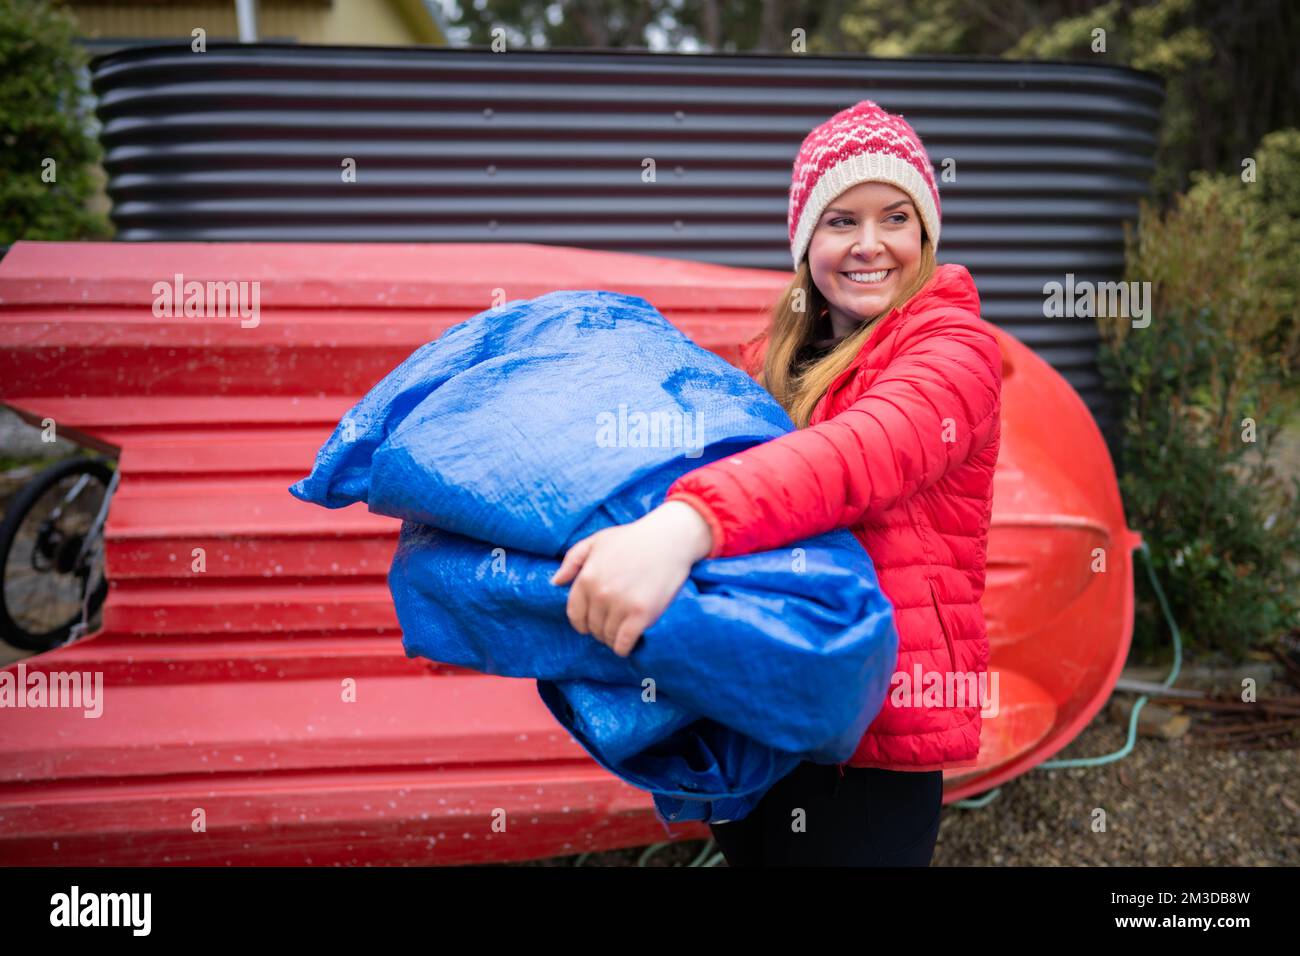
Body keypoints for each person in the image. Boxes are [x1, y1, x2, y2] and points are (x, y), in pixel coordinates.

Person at [550, 100, 1003, 866]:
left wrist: (684, 525)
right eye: (840, 221)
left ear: (925, 232)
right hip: (756, 709)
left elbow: (858, 453)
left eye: (894, 217)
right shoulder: (771, 356)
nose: (869, 245)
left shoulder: (954, 350)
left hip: (872, 743)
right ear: (805, 241)